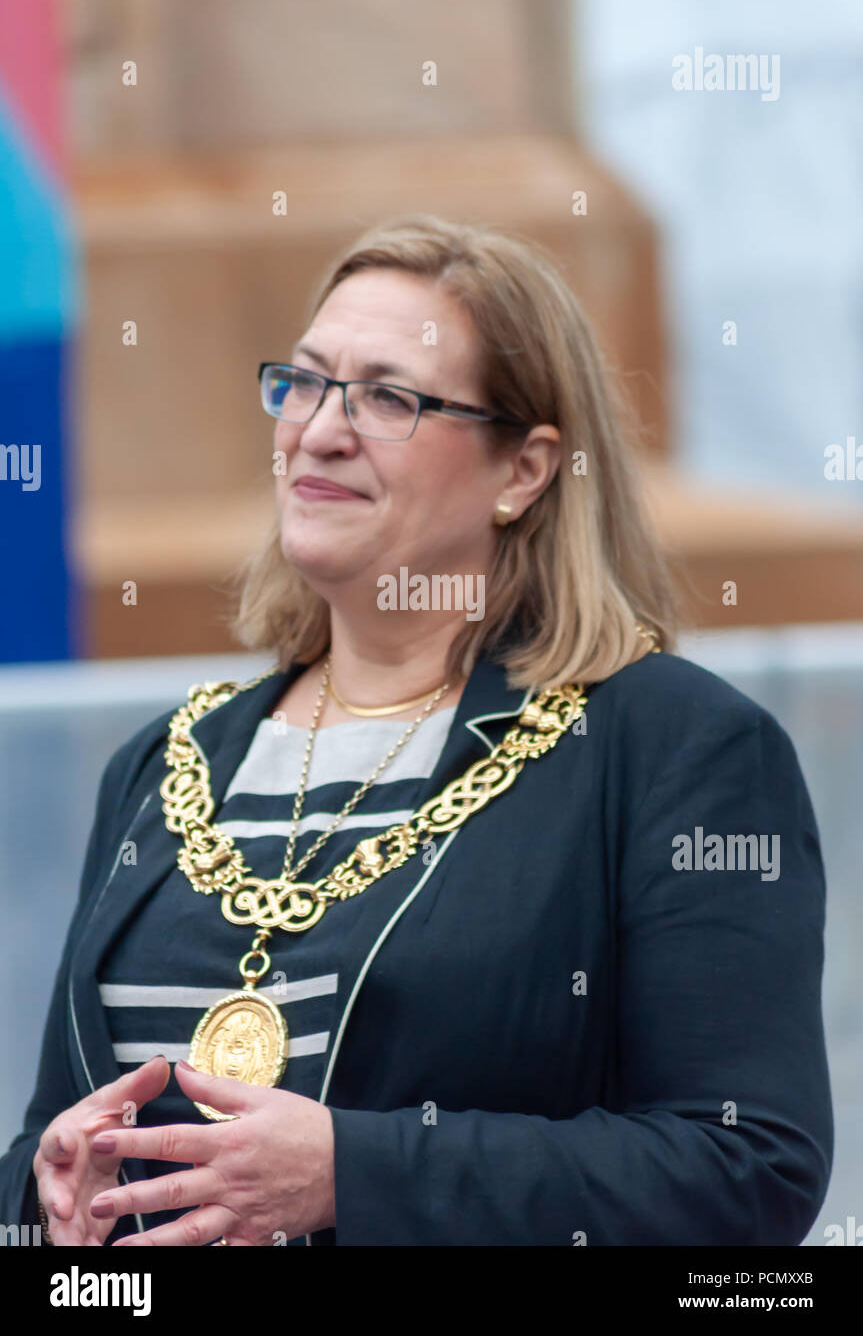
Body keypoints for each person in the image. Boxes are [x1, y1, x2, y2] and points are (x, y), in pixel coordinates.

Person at [0, 214, 832, 1246]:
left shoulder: (672, 748)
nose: (318, 430)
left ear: (524, 471)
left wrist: (355, 1175)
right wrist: (42, 1205)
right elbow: (47, 1133)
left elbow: (743, 1165)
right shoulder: (164, 764)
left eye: (387, 397)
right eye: (301, 382)